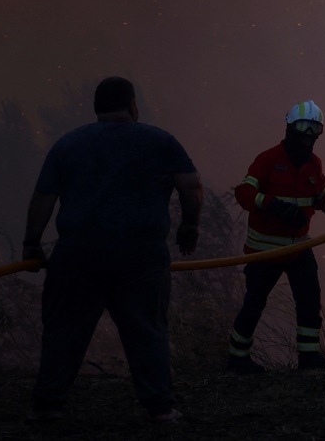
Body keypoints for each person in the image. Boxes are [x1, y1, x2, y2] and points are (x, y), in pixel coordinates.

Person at [21, 76, 203, 424]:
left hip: (78, 255)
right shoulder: (160, 141)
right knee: (147, 331)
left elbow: (44, 198)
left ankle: (48, 405)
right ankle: (161, 409)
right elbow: (190, 185)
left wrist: (31, 243)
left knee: (64, 330)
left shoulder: (68, 145)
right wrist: (189, 226)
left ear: (96, 109)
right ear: (133, 106)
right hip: (141, 257)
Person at [226, 100, 325, 374]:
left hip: (300, 248)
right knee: (254, 303)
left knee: (309, 300)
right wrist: (274, 205)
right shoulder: (267, 159)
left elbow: (319, 196)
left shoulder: (313, 163)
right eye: (304, 127)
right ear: (290, 127)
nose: (308, 135)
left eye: (315, 129)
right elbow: (243, 193)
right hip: (265, 251)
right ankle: (237, 359)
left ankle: (309, 359)